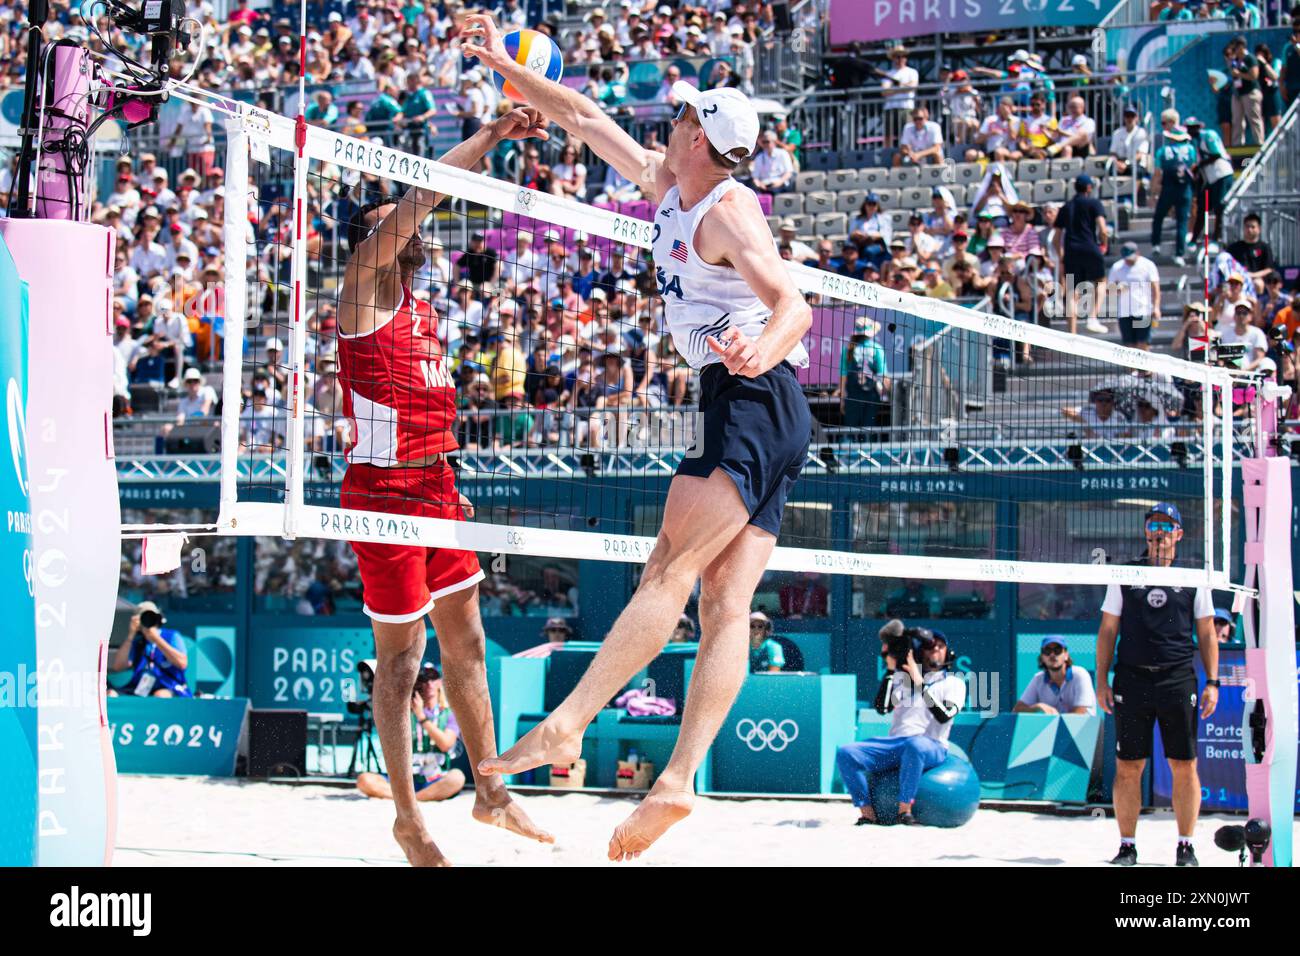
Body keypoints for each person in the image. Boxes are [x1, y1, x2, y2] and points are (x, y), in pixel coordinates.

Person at [464, 12, 813, 861]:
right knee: (726, 605)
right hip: (765, 408)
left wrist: (754, 350)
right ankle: (677, 781)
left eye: (688, 114)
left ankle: (567, 723)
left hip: (753, 397)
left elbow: (795, 306)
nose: (676, 116)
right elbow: (583, 118)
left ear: (704, 138)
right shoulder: (672, 184)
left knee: (669, 568)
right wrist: (502, 70)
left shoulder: (728, 214)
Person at [335, 103, 554, 866]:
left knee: (468, 643)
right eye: (388, 217)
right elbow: (421, 197)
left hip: (436, 488)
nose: (406, 224)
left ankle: (491, 794)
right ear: (372, 235)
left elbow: (421, 205)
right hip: (383, 496)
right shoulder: (362, 288)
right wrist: (492, 134)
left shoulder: (423, 308)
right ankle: (407, 819)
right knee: (400, 663)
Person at [1096, 502, 1219, 867]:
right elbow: (1107, 630)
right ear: (1146, 532)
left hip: (1177, 678)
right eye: (1154, 525)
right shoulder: (1125, 575)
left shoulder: (1194, 577)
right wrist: (1101, 679)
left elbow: (1207, 633)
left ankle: (1185, 846)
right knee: (1129, 766)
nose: (1160, 531)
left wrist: (1212, 681)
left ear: (1179, 533)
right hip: (1132, 679)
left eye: (1168, 526)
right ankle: (1127, 846)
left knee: (1184, 764)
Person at [836, 621, 966, 826]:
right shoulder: (901, 677)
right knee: (846, 753)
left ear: (948, 653)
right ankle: (867, 813)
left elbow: (944, 716)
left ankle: (904, 811)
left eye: (940, 647)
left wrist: (920, 683)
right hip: (896, 744)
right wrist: (890, 670)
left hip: (932, 745)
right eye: (930, 647)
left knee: (915, 744)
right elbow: (882, 708)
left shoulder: (954, 683)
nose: (935, 650)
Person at [356, 665, 467, 802]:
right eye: (424, 680)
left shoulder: (448, 714)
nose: (429, 684)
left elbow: (445, 745)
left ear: (439, 682)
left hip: (433, 777)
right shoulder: (404, 712)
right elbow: (392, 746)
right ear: (417, 684)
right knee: (364, 779)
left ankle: (410, 799)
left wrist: (422, 717)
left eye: (433, 679)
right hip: (405, 779)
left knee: (457, 778)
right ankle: (413, 798)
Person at [1054, 174, 1109, 335]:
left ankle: (1072, 334)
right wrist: (1104, 244)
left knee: (1072, 292)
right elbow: (1103, 229)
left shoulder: (1066, 207)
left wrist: (1061, 255)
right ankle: (1092, 318)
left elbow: (1056, 238)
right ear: (1089, 188)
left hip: (1071, 250)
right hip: (1090, 247)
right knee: (1101, 281)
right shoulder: (1094, 203)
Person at [109, 601, 192, 697]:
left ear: (158, 619)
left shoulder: (172, 636)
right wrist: (131, 635)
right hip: (140, 687)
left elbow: (182, 663)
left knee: (160, 695)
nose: (148, 621)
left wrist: (156, 638)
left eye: (152, 617)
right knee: (111, 694)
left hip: (170, 685)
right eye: (144, 617)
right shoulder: (137, 642)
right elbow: (118, 666)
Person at [1149, 110, 1198, 268]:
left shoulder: (1163, 151)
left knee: (1158, 217)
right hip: (1185, 190)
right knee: (1182, 222)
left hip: (1168, 188)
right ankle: (1179, 254)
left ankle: (1156, 245)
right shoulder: (1190, 150)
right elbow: (1194, 169)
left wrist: (1152, 193)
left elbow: (1157, 174)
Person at [1013, 637, 1097, 715]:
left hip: (1086, 730)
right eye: (1047, 651)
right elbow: (1017, 710)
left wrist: (1055, 723)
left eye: (1057, 650)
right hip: (1056, 729)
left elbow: (1081, 712)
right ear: (1042, 657)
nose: (1052, 654)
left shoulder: (1080, 674)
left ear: (1066, 655)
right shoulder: (1038, 679)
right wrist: (1036, 707)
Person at [1106, 242, 1161, 351]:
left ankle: (1145, 368)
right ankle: (1133, 369)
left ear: (1137, 253)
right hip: (1124, 312)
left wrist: (1156, 307)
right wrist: (1117, 289)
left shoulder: (1148, 265)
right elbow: (1108, 290)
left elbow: (1156, 288)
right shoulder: (1117, 267)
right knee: (1128, 345)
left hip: (1143, 310)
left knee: (1143, 343)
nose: (1128, 260)